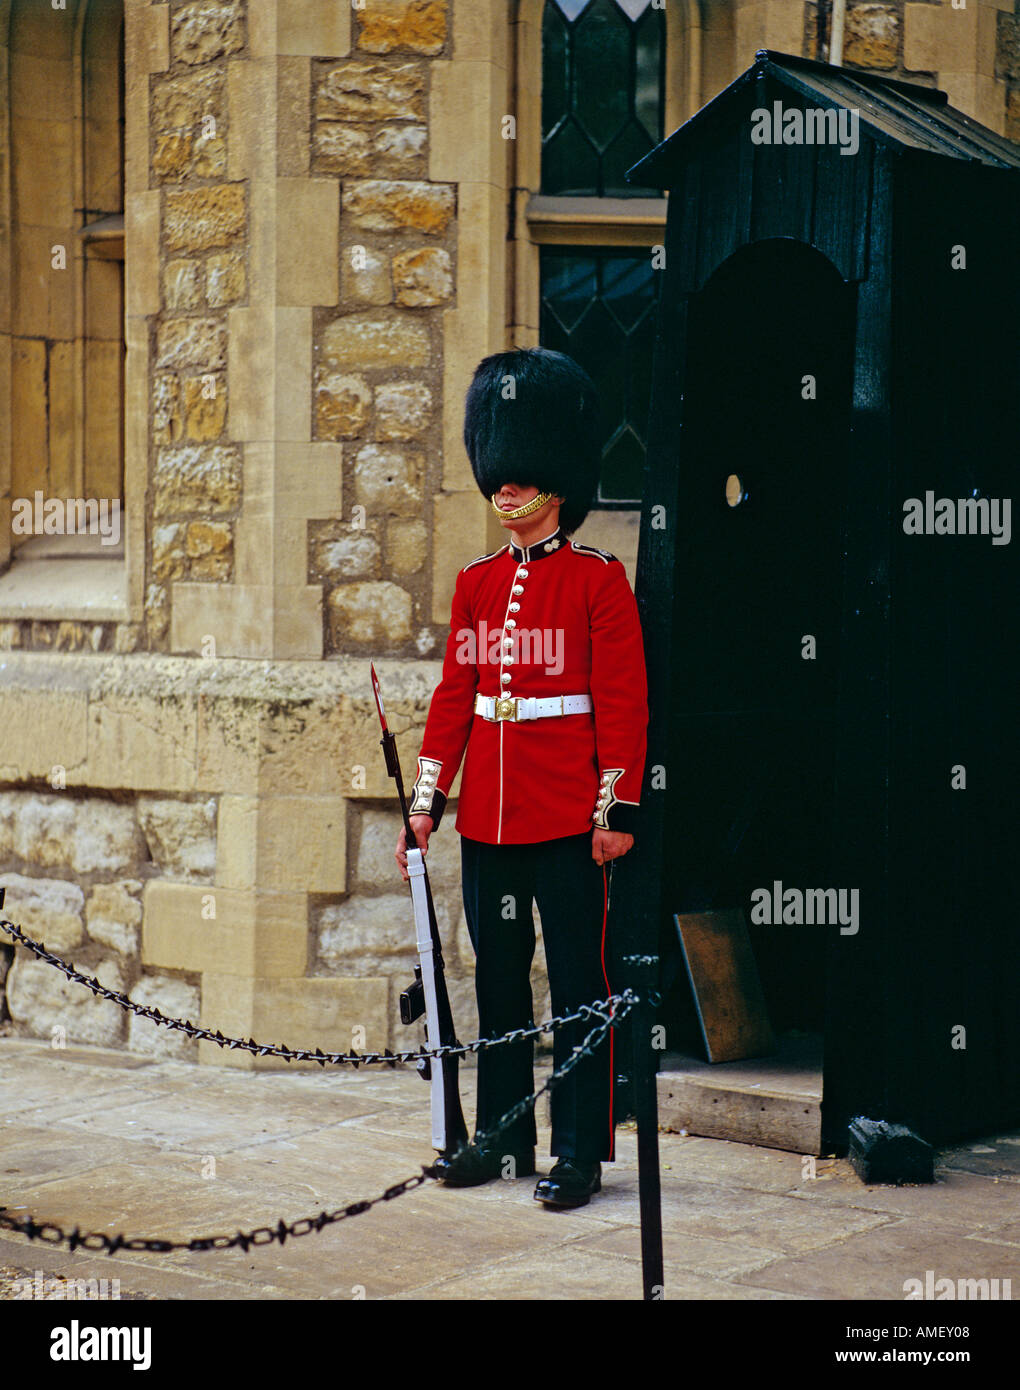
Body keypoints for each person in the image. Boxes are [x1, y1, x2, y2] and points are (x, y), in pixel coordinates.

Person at [395, 347, 648, 1208]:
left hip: (571, 819)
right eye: (497, 478)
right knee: (498, 984)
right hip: (491, 822)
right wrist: (429, 799)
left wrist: (616, 807)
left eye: (520, 478)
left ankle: (578, 1152)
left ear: (556, 484)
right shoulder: (474, 586)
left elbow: (622, 706)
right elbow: (453, 700)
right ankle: (502, 1144)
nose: (504, 491)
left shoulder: (598, 584)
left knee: (580, 986)